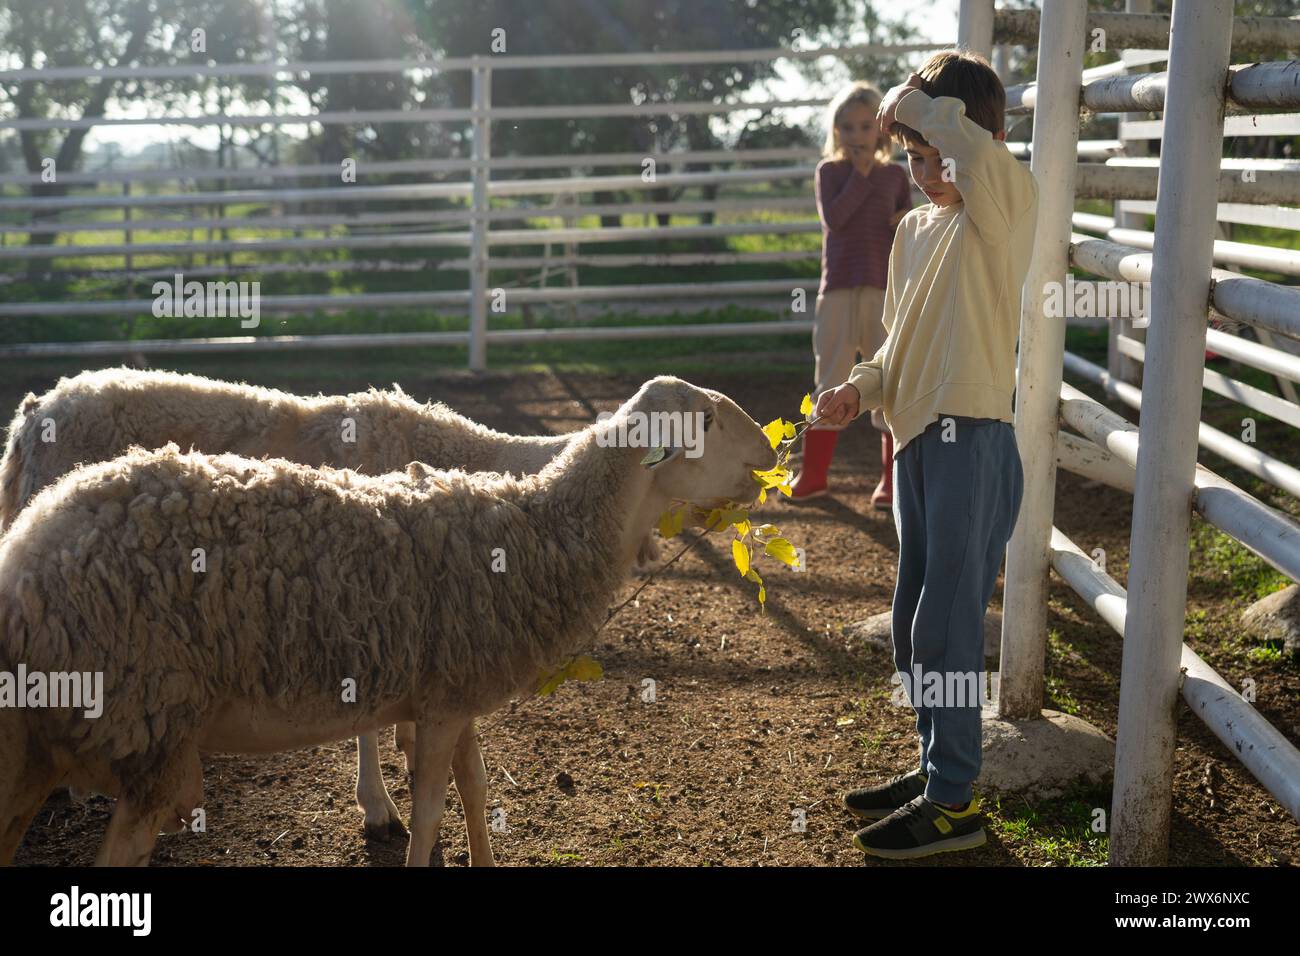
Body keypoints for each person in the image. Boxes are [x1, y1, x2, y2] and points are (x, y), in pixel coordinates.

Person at [815, 50, 1038, 859]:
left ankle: (953, 805)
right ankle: (934, 764)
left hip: (973, 444)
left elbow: (972, 154)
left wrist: (922, 106)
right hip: (914, 446)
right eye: (913, 157)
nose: (927, 170)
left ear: (979, 140)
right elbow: (894, 348)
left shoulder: (1004, 204)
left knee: (947, 624)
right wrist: (859, 390)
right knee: (914, 629)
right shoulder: (912, 232)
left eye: (938, 154)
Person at [790, 81, 913, 508]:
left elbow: (904, 227)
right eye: (847, 127)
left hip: (884, 291)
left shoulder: (896, 175)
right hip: (839, 289)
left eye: (865, 126)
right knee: (830, 377)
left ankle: (890, 481)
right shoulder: (830, 172)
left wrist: (903, 219)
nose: (857, 135)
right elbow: (836, 220)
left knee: (888, 379)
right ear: (836, 131)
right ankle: (814, 475)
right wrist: (860, 177)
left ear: (879, 130)